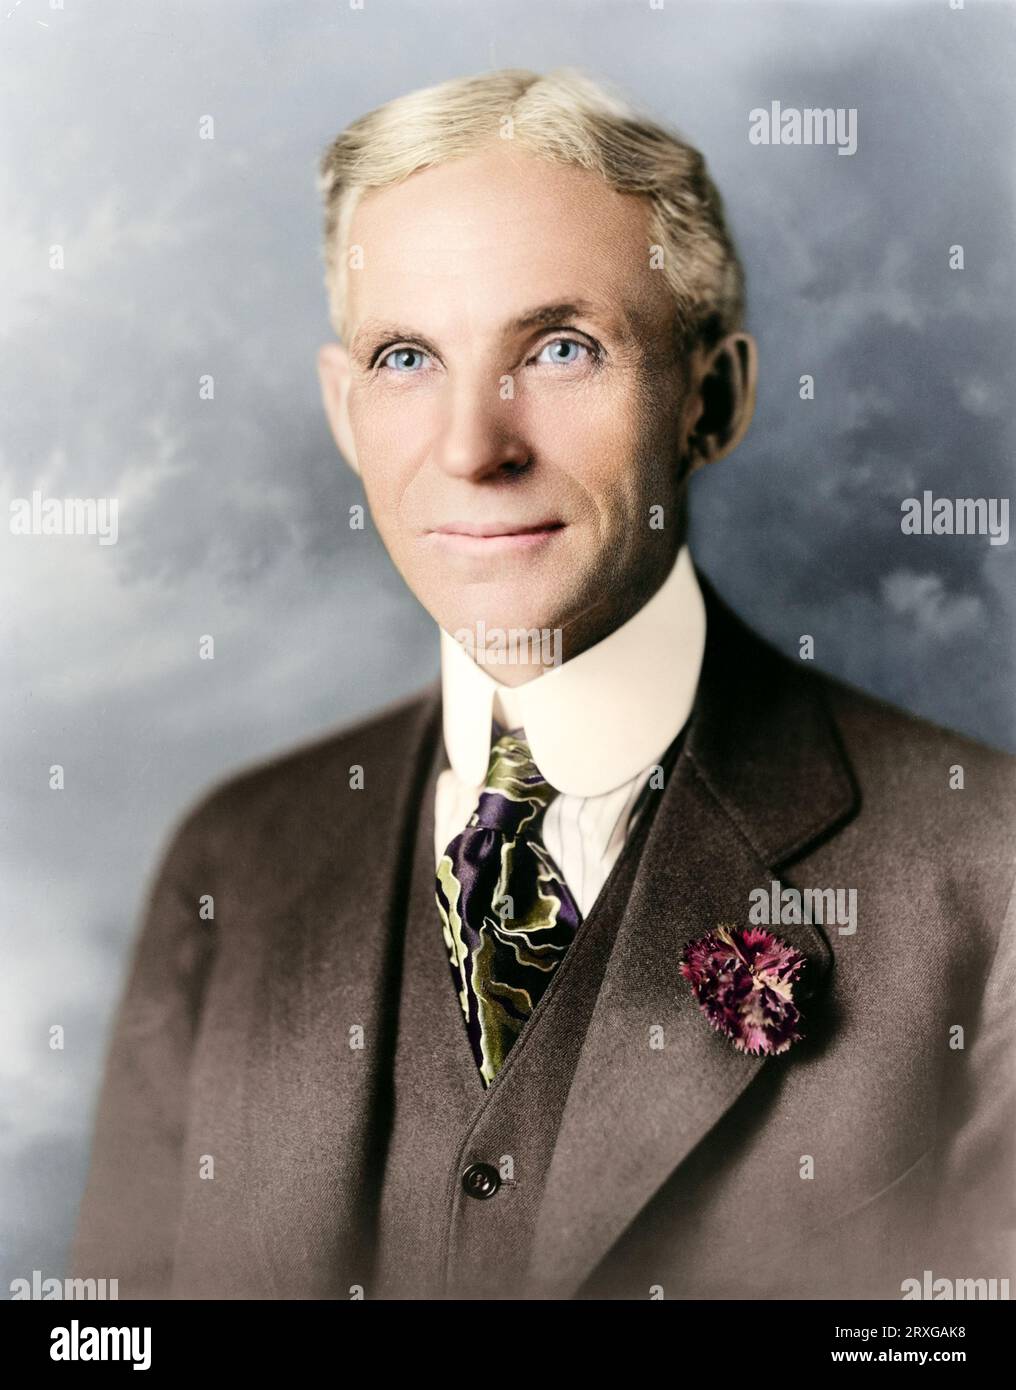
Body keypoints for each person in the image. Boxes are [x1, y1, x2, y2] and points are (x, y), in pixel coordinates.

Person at [71, 68, 1015, 1301]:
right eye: (405, 356)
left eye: (559, 348)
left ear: (713, 398)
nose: (472, 447)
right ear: (346, 413)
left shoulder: (984, 873)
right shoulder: (232, 862)